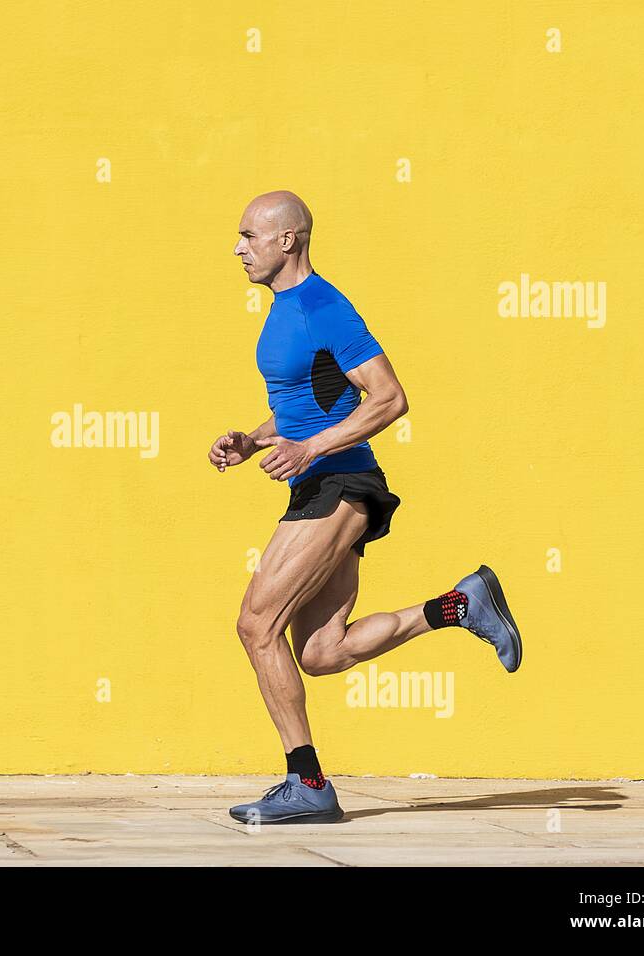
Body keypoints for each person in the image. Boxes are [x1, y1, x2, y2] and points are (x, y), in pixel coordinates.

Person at [211, 190, 523, 825]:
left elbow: (388, 398)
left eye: (248, 236)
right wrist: (255, 440)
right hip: (321, 481)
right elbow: (313, 400)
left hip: (340, 486)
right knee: (323, 653)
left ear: (286, 241)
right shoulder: (282, 312)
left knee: (256, 624)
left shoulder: (325, 306)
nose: (238, 248)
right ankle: (461, 604)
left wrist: (309, 452)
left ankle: (309, 785)